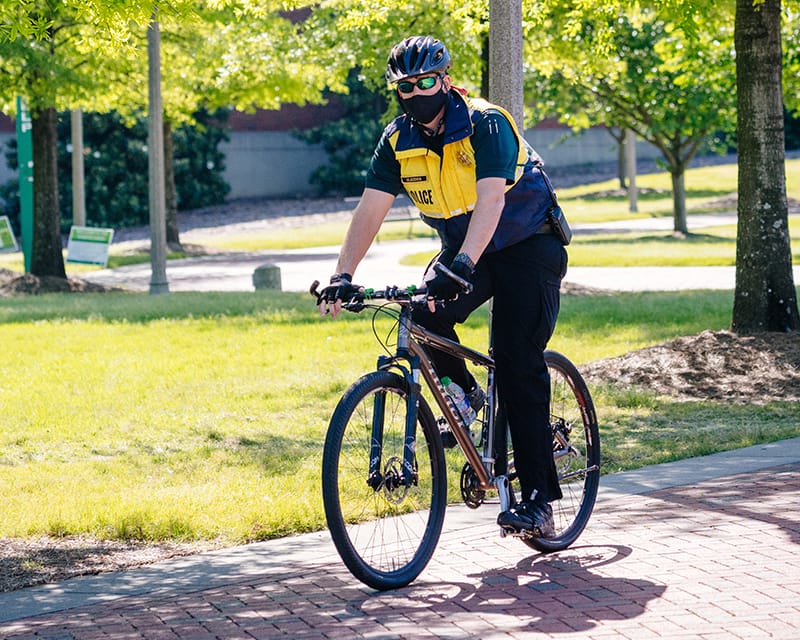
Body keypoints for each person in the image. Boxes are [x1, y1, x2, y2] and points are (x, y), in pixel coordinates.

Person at [318, 35, 568, 538]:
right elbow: (369, 210)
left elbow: (492, 202)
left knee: (516, 360)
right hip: (467, 250)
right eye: (405, 86)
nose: (416, 93)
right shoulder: (397, 141)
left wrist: (462, 266)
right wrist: (342, 275)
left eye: (426, 81)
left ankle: (539, 500)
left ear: (446, 79)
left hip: (528, 245)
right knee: (423, 315)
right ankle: (470, 397)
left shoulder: (485, 122)